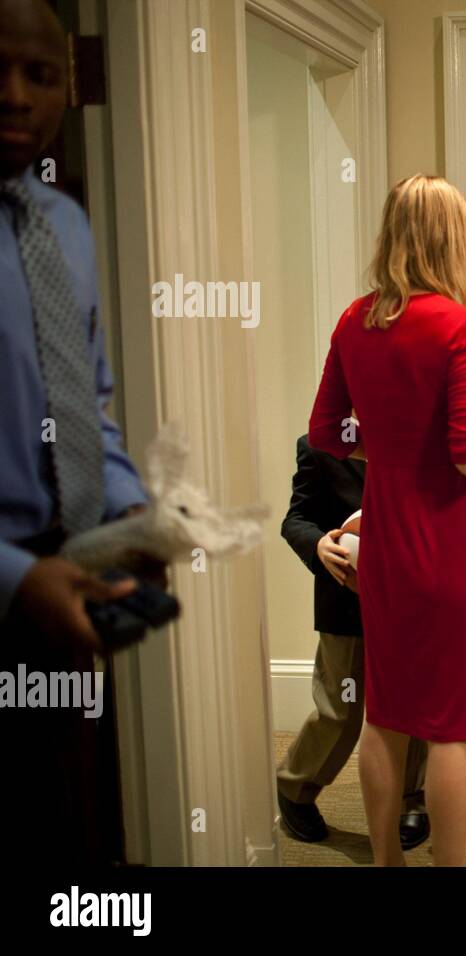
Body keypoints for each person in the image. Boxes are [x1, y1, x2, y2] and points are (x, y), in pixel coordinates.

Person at [307, 174, 466, 866]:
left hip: (387, 536)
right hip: (450, 536)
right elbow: (465, 448)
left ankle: (386, 860)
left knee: (386, 713)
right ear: (450, 238)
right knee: (450, 726)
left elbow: (325, 432)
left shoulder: (353, 320)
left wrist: (384, 449)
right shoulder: (460, 325)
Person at [0, 0, 153, 864]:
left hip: (68, 585)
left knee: (66, 824)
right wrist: (17, 578)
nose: (16, 96)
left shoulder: (65, 226)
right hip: (16, 578)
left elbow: (86, 397)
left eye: (42, 74)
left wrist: (131, 512)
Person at [276, 434, 430, 850]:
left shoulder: (417, 439)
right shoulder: (318, 446)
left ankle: (409, 800)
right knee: (340, 711)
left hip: (410, 598)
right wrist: (317, 544)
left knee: (409, 708)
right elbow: (296, 519)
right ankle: (295, 787)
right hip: (345, 599)